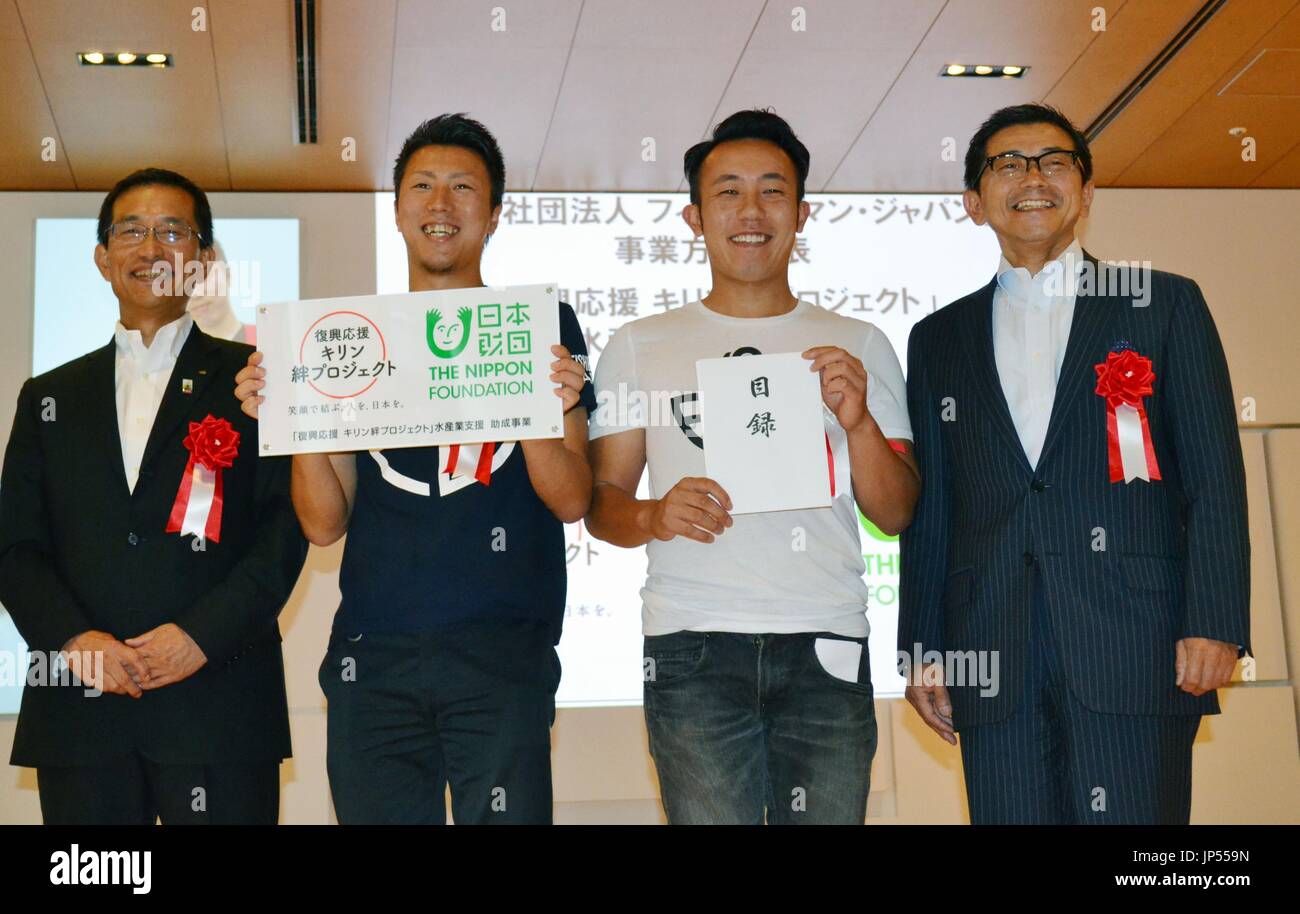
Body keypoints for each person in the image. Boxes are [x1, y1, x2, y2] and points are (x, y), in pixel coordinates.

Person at [236, 114, 595, 824]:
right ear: (397, 210)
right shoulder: (345, 338)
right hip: (373, 660)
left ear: (494, 215)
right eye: (422, 187)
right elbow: (323, 524)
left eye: (463, 188)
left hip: (503, 656)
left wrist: (532, 404)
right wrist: (297, 413)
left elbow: (572, 498)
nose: (441, 205)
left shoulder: (540, 327)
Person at [899, 104, 1250, 824]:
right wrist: (923, 647)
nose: (1033, 178)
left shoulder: (1164, 304)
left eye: (1054, 161)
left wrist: (1215, 619)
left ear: (1086, 193)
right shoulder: (937, 338)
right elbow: (935, 507)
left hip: (1136, 640)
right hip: (990, 647)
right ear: (974, 202)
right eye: (1008, 165)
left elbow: (1214, 475)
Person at [585, 109, 919, 824]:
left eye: (772, 191)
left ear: (801, 213)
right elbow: (601, 503)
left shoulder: (858, 341)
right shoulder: (641, 344)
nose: (750, 211)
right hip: (691, 645)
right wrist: (651, 513)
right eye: (728, 191)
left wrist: (858, 423)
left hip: (826, 640)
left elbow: (895, 513)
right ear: (694, 217)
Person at [0, 167, 307, 824]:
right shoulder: (48, 397)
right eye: (131, 231)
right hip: (83, 715)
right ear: (103, 259)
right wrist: (75, 640)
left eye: (173, 231)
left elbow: (286, 528)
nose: (151, 249)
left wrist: (200, 636)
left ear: (201, 261)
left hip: (220, 703)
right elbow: (16, 547)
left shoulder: (258, 377)